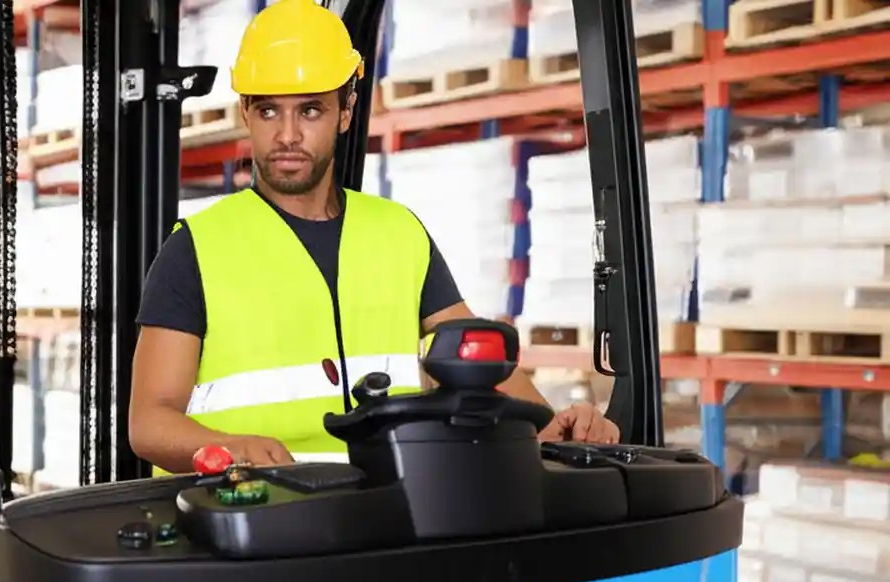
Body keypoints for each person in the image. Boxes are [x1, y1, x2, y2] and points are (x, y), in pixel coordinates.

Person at [129, 0, 618, 474]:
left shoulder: (397, 232)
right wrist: (228, 447)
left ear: (346, 112)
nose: (288, 135)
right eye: (269, 112)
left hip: (384, 514)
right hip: (252, 522)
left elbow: (474, 351)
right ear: (246, 115)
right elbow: (149, 421)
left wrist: (555, 425)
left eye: (311, 111)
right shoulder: (196, 248)